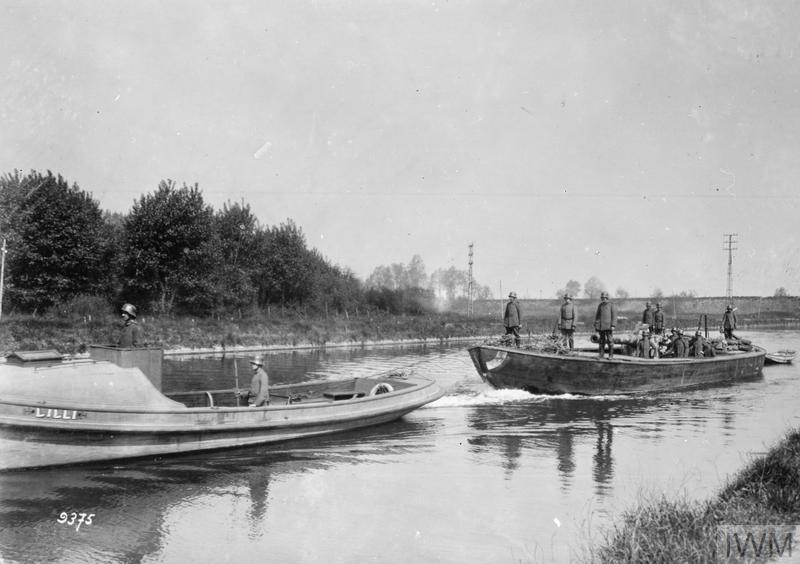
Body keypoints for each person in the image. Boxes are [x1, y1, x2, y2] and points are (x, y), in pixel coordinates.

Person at [594, 292, 616, 359]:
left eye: (605, 298)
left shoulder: (611, 305)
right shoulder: (600, 305)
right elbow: (597, 316)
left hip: (609, 326)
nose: (604, 299)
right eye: (602, 298)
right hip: (601, 326)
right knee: (601, 341)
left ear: (607, 298)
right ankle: (601, 354)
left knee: (610, 341)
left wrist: (613, 325)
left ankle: (611, 355)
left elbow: (614, 316)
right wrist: (596, 325)